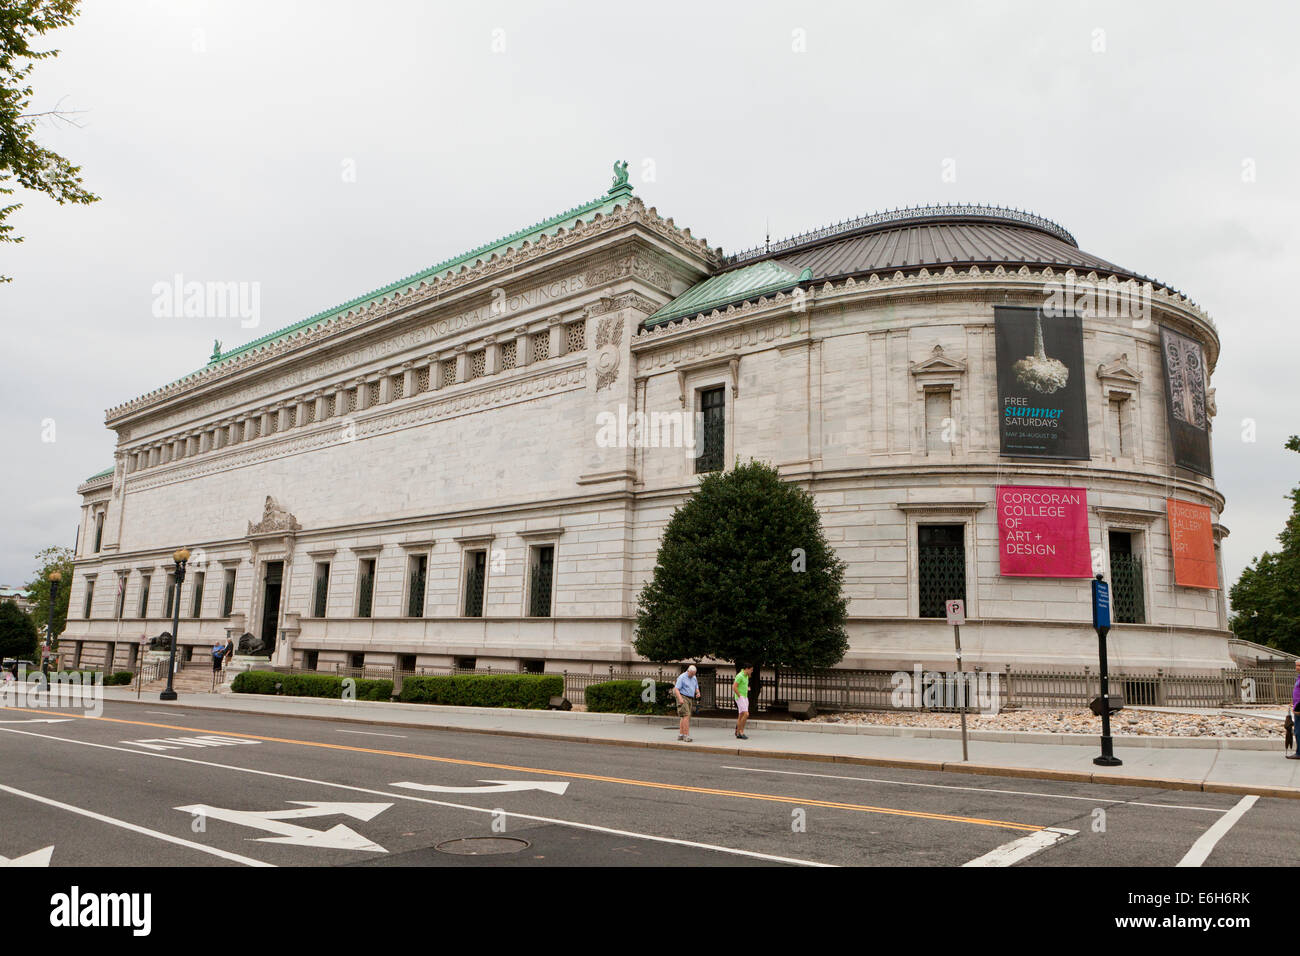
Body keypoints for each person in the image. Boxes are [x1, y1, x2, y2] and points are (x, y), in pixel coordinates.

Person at [674, 664, 700, 742]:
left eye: (694, 674)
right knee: (686, 715)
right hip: (683, 696)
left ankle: (681, 734)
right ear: (688, 671)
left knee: (683, 716)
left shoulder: (694, 677)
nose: (692, 675)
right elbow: (676, 689)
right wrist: (680, 699)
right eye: (691, 674)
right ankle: (686, 735)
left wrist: (698, 692)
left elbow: (696, 687)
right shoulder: (682, 677)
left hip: (690, 698)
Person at [733, 664, 754, 740]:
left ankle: (737, 732)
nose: (752, 671)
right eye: (751, 670)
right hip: (740, 697)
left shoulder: (746, 676)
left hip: (745, 697)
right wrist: (739, 696)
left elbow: (743, 685)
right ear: (747, 669)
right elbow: (734, 687)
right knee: (746, 714)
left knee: (741, 715)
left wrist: (747, 688)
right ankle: (741, 732)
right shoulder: (739, 676)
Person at [1288, 660, 1300, 760]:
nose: (1297, 668)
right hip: (1297, 706)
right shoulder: (1299, 678)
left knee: (1298, 731)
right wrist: (1293, 702)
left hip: (1299, 709)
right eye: (1296, 666)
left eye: (1299, 666)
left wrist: (1298, 708)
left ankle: (1299, 753)